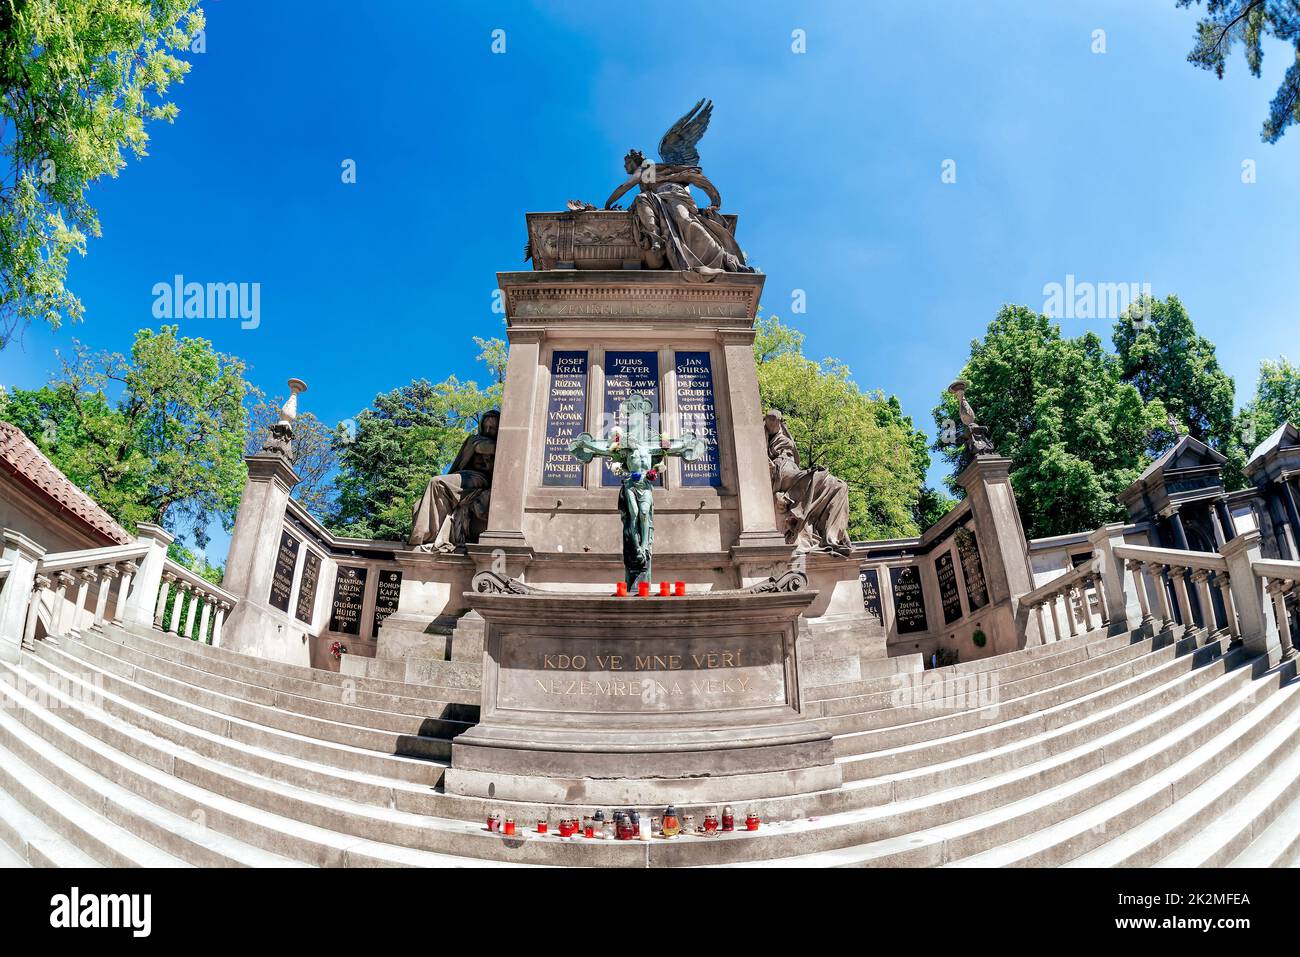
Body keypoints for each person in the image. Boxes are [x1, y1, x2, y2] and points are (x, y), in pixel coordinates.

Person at [764, 409, 852, 555]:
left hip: (793, 468)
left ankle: (832, 538)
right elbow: (768, 422)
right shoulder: (768, 432)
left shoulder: (784, 433)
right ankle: (830, 537)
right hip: (783, 471)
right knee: (822, 478)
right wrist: (774, 416)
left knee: (840, 486)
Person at [408, 411, 498, 551]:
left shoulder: (500, 443)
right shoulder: (473, 440)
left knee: (437, 483)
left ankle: (424, 537)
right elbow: (477, 450)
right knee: (421, 502)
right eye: (485, 427)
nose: (487, 431)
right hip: (464, 475)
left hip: (481, 478)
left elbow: (487, 448)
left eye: (492, 428)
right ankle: (428, 537)